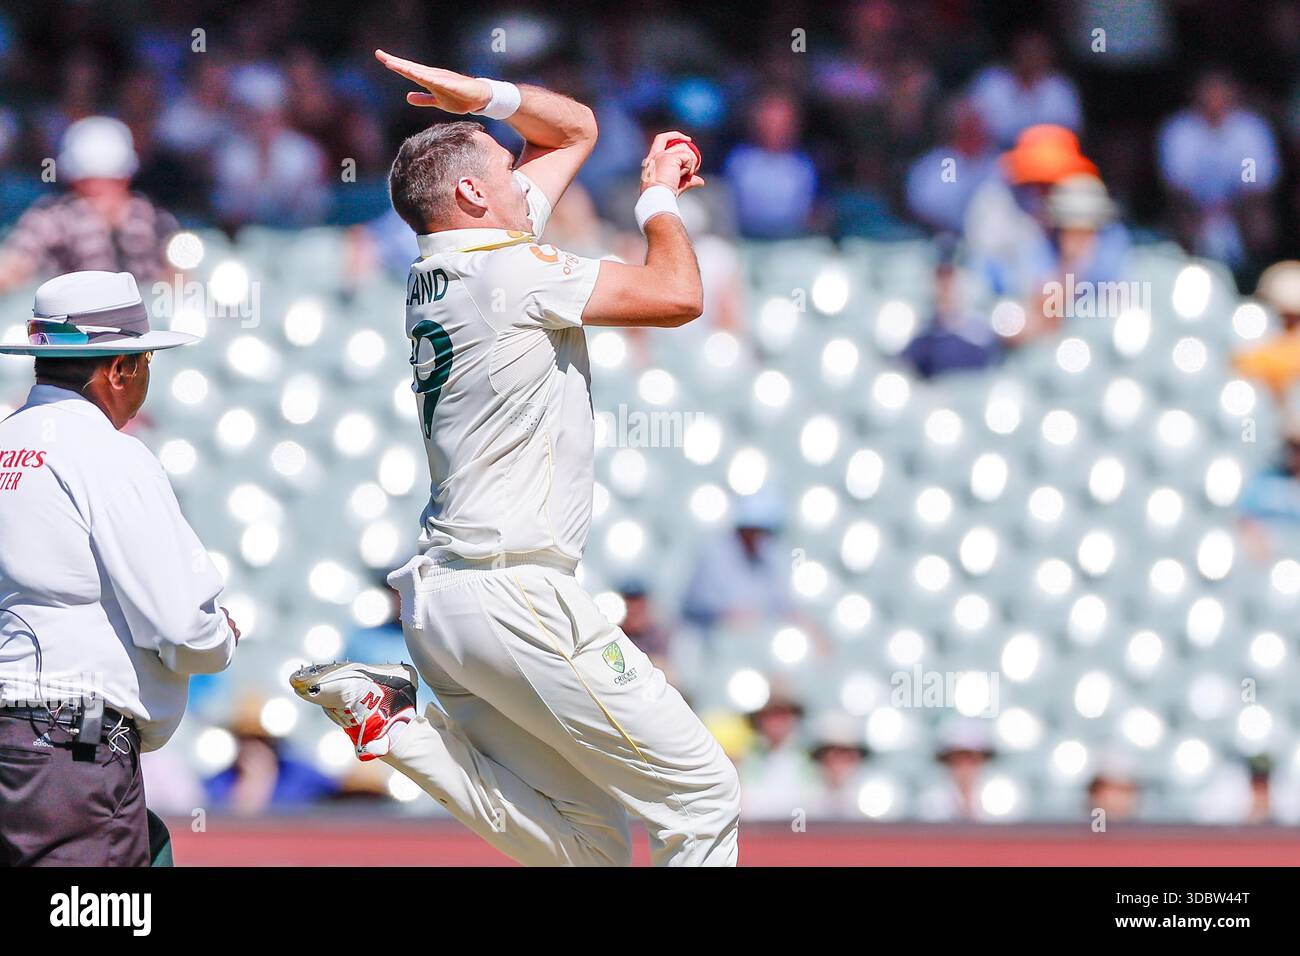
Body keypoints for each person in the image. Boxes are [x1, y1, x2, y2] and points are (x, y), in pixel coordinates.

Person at [291, 50, 740, 867]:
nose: (522, 167)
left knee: (591, 848)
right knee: (703, 797)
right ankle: (399, 729)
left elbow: (578, 130)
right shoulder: (506, 270)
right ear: (470, 193)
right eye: (507, 162)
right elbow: (677, 296)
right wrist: (658, 201)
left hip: (445, 604)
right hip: (517, 593)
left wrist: (487, 96)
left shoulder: (448, 261)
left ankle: (397, 729)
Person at [0, 270, 239, 866]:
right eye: (145, 362)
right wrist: (220, 639)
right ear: (120, 369)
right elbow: (183, 626)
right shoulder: (107, 454)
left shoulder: (8, 443)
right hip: (70, 751)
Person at [0, 117, 178, 293]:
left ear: (126, 179)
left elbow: (178, 277)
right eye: (88, 182)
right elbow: (12, 267)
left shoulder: (151, 218)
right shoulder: (51, 219)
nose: (98, 191)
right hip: (71, 317)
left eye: (111, 182)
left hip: (143, 316)